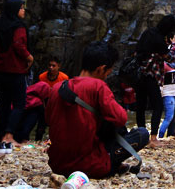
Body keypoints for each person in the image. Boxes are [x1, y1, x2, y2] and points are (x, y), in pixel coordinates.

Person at [46, 41, 150, 178]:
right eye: (108, 72)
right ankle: (112, 163)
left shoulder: (56, 88)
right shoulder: (98, 86)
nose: (107, 76)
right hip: (90, 166)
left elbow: (48, 119)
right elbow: (121, 118)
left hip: (58, 165)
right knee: (141, 134)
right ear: (101, 68)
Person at [0, 0, 33, 148]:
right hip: (15, 70)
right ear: (15, 10)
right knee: (19, 104)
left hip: (1, 70)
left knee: (4, 103)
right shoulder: (18, 27)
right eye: (21, 8)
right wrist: (29, 57)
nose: (23, 10)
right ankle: (9, 135)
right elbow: (18, 44)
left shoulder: (1, 27)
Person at [135, 15, 175, 136]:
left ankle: (141, 135)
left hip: (139, 74)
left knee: (140, 106)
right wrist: (173, 44)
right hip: (151, 75)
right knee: (157, 105)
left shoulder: (148, 32)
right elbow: (169, 58)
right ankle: (153, 137)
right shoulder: (159, 39)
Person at [158, 48, 175, 139]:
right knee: (169, 116)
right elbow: (159, 78)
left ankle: (170, 135)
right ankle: (160, 137)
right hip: (168, 94)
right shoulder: (164, 65)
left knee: (174, 116)